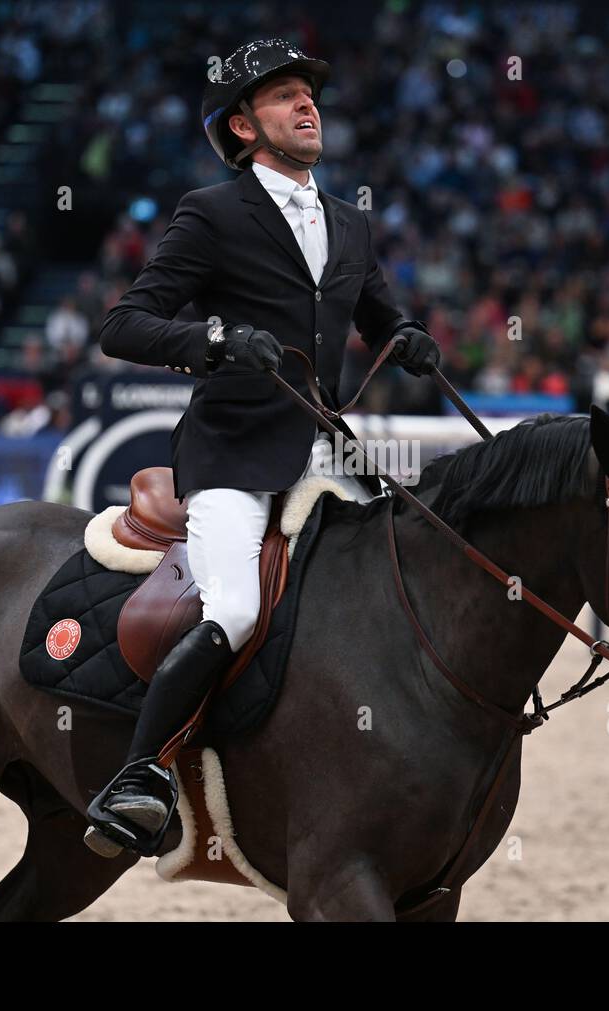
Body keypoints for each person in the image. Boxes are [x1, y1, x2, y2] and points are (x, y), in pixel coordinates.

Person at [87, 38, 439, 853]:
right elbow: (122, 325)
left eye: (309, 93)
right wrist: (213, 339)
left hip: (322, 455)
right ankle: (140, 775)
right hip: (233, 455)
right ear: (244, 127)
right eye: (284, 97)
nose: (307, 105)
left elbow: (385, 317)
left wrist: (411, 338)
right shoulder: (211, 213)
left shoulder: (350, 222)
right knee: (237, 608)